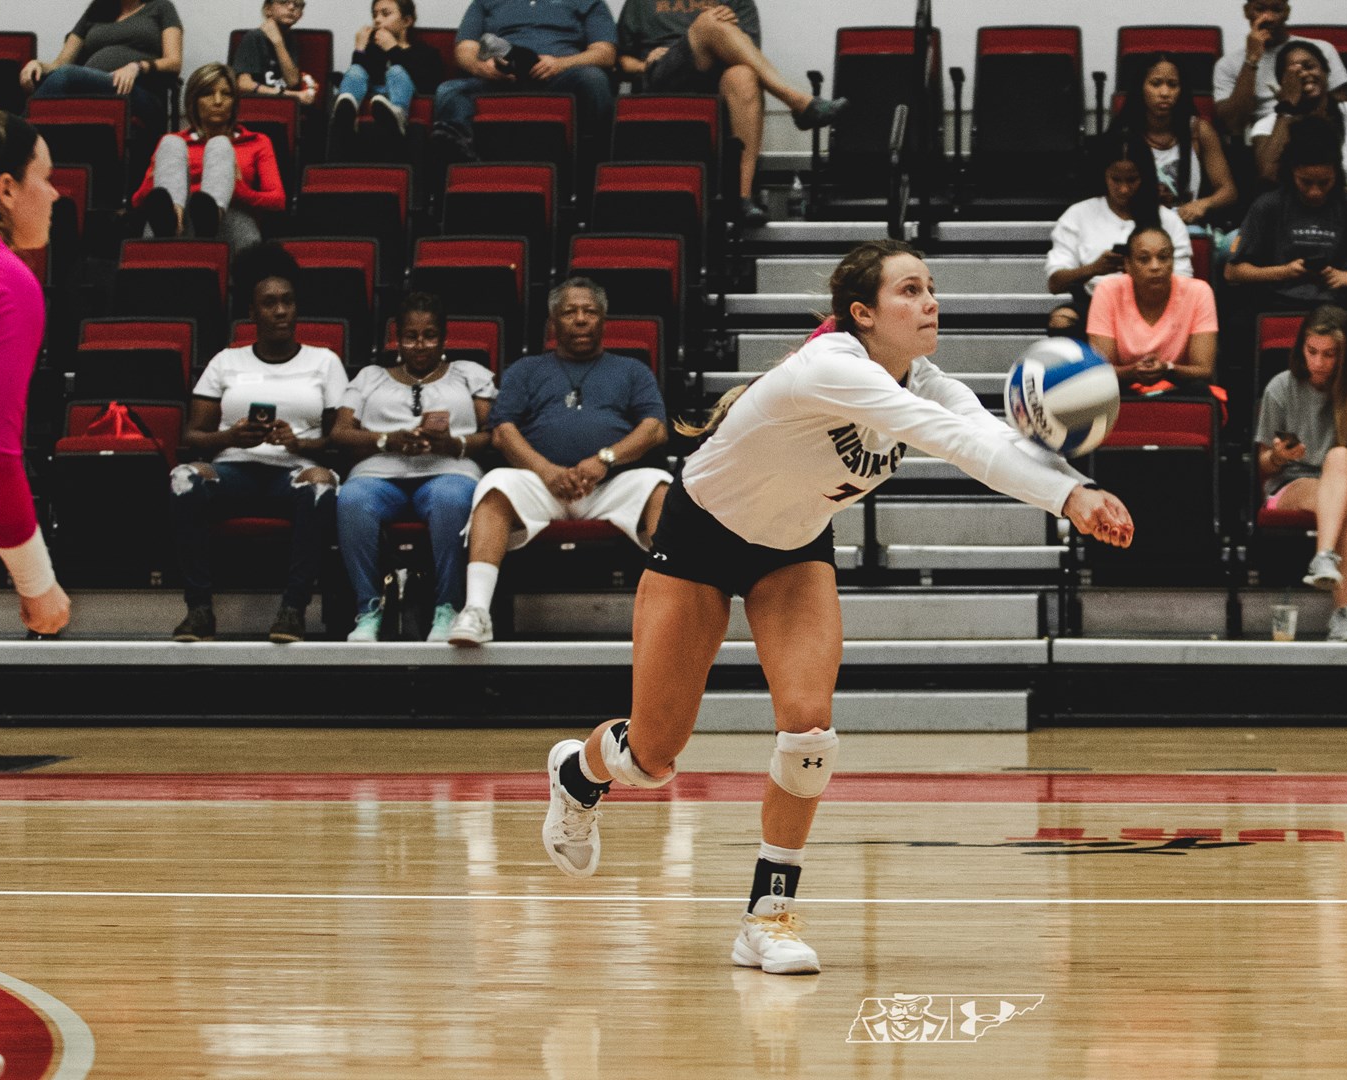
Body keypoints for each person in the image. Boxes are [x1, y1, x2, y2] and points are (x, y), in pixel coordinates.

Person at [535, 240, 1134, 976]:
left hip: (792, 549)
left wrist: (1075, 483)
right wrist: (1068, 498)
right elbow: (948, 440)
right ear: (863, 313)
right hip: (700, 538)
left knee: (810, 730)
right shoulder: (832, 368)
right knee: (652, 756)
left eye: (932, 288)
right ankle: (578, 775)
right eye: (910, 290)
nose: (930, 302)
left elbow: (986, 433)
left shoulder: (923, 378)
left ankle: (768, 917)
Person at [448, 278, 672, 646]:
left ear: (604, 319)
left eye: (590, 311)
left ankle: (676, 612)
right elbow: (503, 431)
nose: (581, 319)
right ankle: (476, 611)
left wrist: (605, 459)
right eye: (570, 312)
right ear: (553, 321)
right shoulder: (525, 370)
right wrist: (546, 471)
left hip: (609, 484)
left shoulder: (631, 370)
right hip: (541, 484)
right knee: (494, 486)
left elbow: (655, 429)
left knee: (660, 487)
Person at [170, 245, 347, 643]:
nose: (281, 311)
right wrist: (231, 437)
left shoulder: (325, 362)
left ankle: (293, 609)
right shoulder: (225, 362)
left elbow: (339, 439)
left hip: (293, 473)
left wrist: (300, 441)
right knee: (184, 477)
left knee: (320, 484)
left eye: (287, 302)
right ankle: (199, 610)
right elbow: (192, 436)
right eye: (270, 304)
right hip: (235, 470)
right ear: (252, 313)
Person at [329, 293, 496, 643]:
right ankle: (369, 609)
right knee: (352, 500)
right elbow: (340, 432)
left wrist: (454, 444)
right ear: (398, 337)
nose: (420, 345)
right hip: (377, 474)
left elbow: (493, 434)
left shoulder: (470, 374)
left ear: (444, 337)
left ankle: (446, 608)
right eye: (411, 336)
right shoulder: (370, 377)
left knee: (452, 499)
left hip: (450, 470)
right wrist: (386, 440)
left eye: (430, 335)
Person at [616, 0, 846, 229]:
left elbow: (750, 54)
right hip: (664, 79)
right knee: (708, 21)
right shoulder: (639, 3)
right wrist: (644, 64)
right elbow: (621, 61)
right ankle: (798, 101)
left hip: (717, 78)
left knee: (744, 75)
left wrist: (725, 31)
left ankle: (742, 198)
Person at [1255, 305, 1347, 643]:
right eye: (1311, 351)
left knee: (1341, 457)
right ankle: (1341, 616)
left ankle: (1323, 558)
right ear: (1301, 347)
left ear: (1345, 356)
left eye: (1329, 355)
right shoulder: (1280, 387)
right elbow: (1262, 464)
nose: (1318, 362)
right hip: (1293, 483)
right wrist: (1278, 455)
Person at [0, 108, 69, 637]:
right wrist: (38, 585)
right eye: (47, 177)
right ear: (8, 189)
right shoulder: (7, 280)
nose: (57, 194)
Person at [1226, 117, 1347, 311]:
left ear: (1336, 173)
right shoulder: (1268, 206)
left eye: (1324, 182)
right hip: (1279, 305)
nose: (1315, 192)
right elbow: (1233, 272)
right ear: (1292, 173)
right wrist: (1283, 272)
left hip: (1339, 308)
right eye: (1306, 182)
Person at [431, 0, 616, 165]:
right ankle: (461, 159)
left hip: (560, 76)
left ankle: (593, 163)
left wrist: (560, 64)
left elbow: (605, 52)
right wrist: (481, 68)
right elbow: (465, 49)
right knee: (447, 91)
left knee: (594, 79)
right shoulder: (484, 2)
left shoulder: (589, 2)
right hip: (502, 77)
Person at [1044, 134, 1192, 336]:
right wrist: (1094, 269)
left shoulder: (1168, 220)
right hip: (1095, 304)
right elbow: (1055, 283)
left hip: (1155, 306)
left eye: (1132, 180)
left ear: (1145, 177)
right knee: (1062, 320)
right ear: (1103, 176)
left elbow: (1184, 280)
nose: (1123, 189)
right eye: (1116, 180)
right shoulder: (1078, 215)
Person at [129, 63, 282, 254]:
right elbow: (137, 202)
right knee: (170, 143)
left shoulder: (257, 141)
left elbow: (278, 199)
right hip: (175, 226)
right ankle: (172, 222)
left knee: (220, 145)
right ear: (194, 101)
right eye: (208, 94)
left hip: (230, 221)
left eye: (226, 94)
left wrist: (240, 190)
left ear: (235, 102)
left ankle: (211, 218)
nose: (218, 101)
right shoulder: (174, 143)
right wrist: (152, 182)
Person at [1251, 41, 1347, 205]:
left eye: (1309, 66)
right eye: (1294, 72)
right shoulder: (1267, 125)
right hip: (1291, 214)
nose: (1305, 74)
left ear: (1326, 71)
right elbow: (1267, 177)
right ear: (1282, 82)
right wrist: (1287, 108)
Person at [1087, 225, 1219, 395]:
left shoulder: (1199, 292)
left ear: (1173, 261)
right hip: (1123, 388)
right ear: (1128, 264)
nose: (1155, 266)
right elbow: (1102, 371)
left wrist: (1168, 369)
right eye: (1144, 259)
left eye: (1163, 257)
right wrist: (1132, 372)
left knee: (1199, 390)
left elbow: (1203, 370)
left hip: (1178, 386)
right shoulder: (1107, 291)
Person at [22, 0, 184, 138]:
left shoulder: (161, 7)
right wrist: (38, 65)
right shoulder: (95, 13)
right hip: (92, 88)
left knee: (67, 75)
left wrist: (138, 66)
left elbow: (174, 62)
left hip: (137, 92)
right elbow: (60, 63)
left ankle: (17, 130)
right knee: (64, 74)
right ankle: (21, 132)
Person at [1112, 55, 1237, 228]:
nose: (1164, 93)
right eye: (1155, 84)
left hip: (1185, 224)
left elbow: (1228, 190)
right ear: (1141, 88)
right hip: (1134, 224)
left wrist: (1202, 204)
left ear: (1181, 90)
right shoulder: (1122, 133)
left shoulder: (1199, 130)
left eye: (1172, 85)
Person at [1213, 0, 1347, 136]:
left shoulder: (1320, 50)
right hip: (1264, 137)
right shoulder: (1227, 64)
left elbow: (1345, 107)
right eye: (1260, 9)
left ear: (1287, 12)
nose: (1269, 18)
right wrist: (1251, 60)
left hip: (1320, 132)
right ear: (1246, 11)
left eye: (1277, 9)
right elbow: (1232, 124)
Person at [331, 0, 444, 153]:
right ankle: (345, 117)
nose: (377, 20)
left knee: (396, 71)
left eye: (385, 14)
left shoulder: (426, 52)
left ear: (406, 21)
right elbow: (359, 77)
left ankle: (397, 116)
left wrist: (393, 49)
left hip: (404, 97)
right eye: (375, 15)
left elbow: (427, 84)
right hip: (374, 94)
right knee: (356, 70)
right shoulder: (372, 51)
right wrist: (359, 50)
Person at [232, 0, 319, 107]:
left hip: (286, 105)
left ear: (300, 15)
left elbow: (292, 82)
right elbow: (243, 84)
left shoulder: (291, 39)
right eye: (283, 2)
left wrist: (278, 42)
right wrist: (291, 95)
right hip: (259, 104)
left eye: (297, 5)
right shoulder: (253, 37)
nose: (292, 7)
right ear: (268, 9)